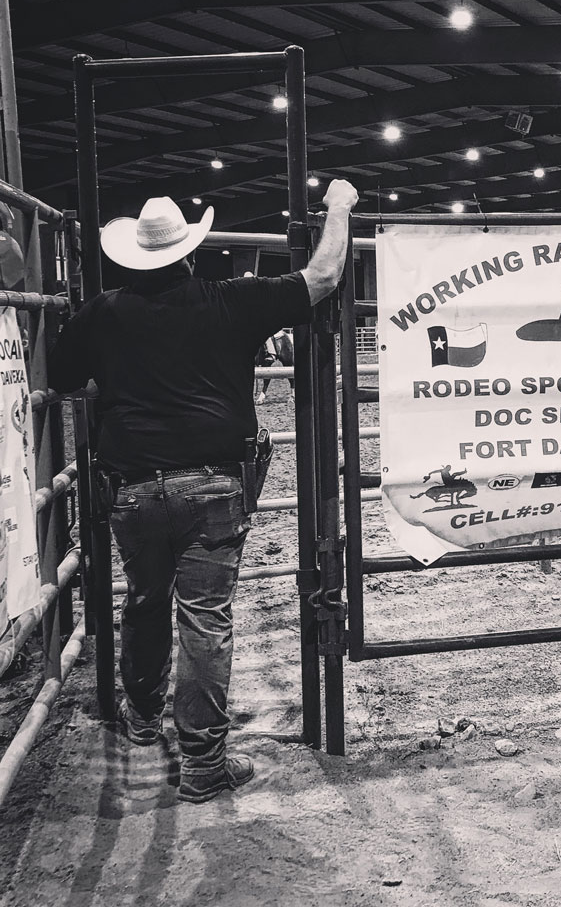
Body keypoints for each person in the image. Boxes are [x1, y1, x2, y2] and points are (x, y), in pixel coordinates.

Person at [48, 179, 358, 803]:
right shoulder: (231, 300)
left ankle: (140, 716)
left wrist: (120, 403)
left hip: (131, 488)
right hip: (214, 485)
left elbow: (62, 385)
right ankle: (202, 763)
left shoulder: (100, 314)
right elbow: (323, 277)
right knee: (205, 620)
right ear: (190, 252)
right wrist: (340, 207)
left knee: (143, 599)